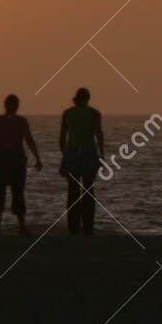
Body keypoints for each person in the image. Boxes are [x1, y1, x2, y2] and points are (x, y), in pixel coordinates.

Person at [0, 94, 40, 236]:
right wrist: (37, 158)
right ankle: (21, 227)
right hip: (16, 160)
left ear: (5, 105)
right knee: (17, 193)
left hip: (0, 161)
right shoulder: (21, 121)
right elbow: (29, 140)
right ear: (16, 106)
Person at [59, 87, 103, 235]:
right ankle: (88, 227)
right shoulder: (94, 114)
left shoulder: (67, 113)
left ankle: (73, 227)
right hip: (88, 152)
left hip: (72, 153)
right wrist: (102, 155)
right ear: (88, 99)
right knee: (88, 188)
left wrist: (65, 154)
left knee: (72, 190)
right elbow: (99, 134)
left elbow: (61, 137)